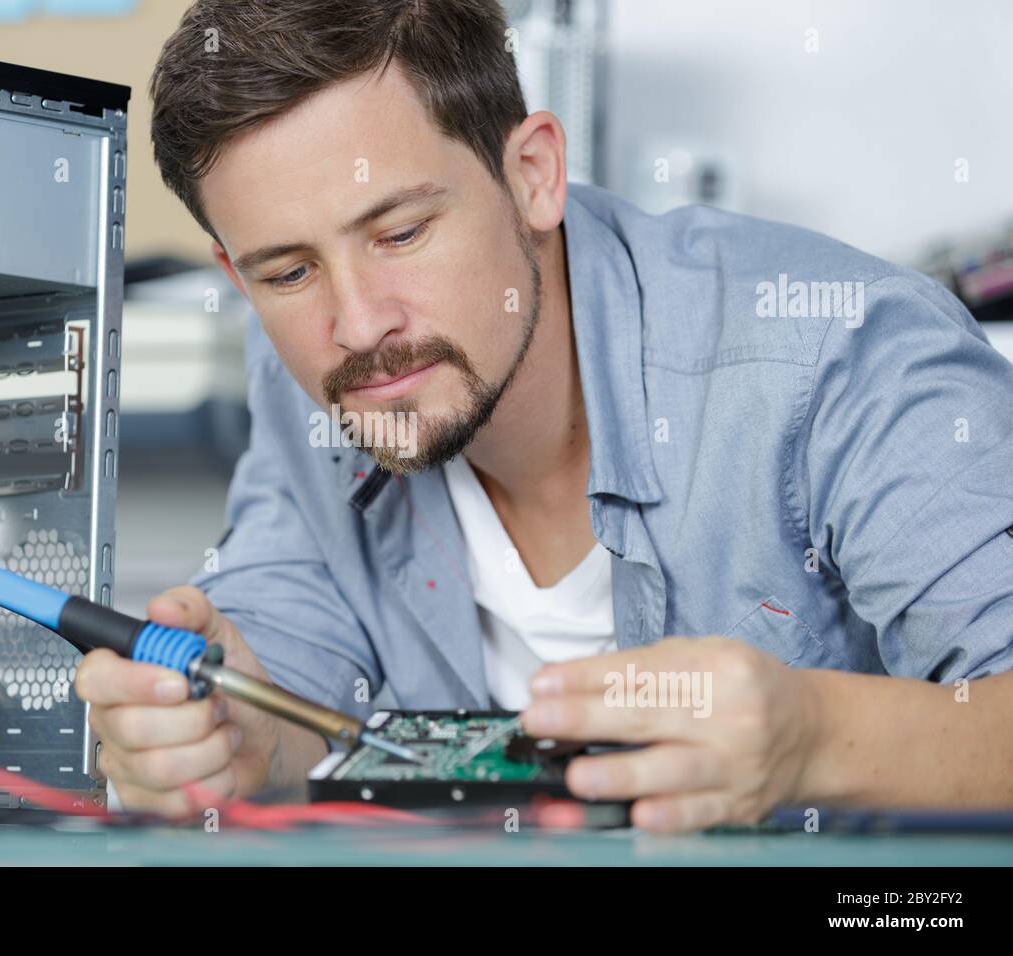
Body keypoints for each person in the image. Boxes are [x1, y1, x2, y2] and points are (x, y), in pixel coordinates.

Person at [75, 0, 1013, 830]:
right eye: (288, 271)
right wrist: (230, 738)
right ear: (237, 276)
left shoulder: (841, 355)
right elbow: (287, 670)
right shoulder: (308, 379)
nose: (357, 326)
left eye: (400, 233)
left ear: (534, 173)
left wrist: (812, 740)